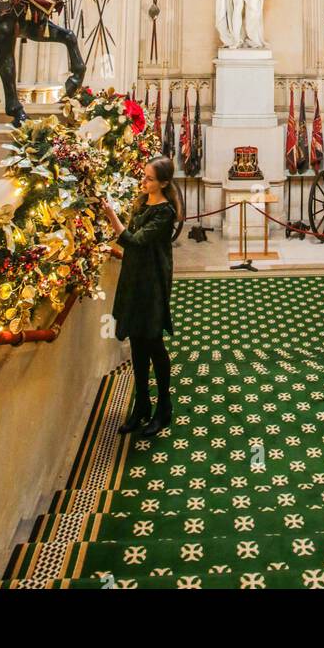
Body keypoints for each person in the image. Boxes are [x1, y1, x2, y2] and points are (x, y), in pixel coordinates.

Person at [102, 155, 184, 438]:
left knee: (153, 344)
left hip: (151, 284)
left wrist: (112, 217)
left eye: (149, 178)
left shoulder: (165, 212)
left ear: (163, 183)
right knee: (137, 344)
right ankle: (141, 406)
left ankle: (164, 407)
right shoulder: (141, 202)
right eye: (144, 176)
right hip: (133, 280)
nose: (143, 181)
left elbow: (136, 241)